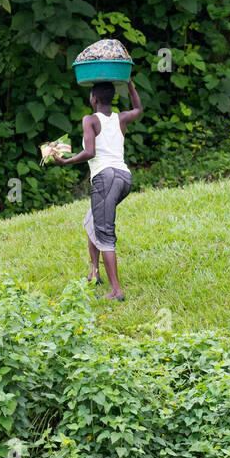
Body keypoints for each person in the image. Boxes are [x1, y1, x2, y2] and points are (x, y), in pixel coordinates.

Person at [54, 79, 142, 300]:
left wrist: (66, 162)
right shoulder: (121, 118)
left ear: (93, 98)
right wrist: (129, 83)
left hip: (106, 177)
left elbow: (90, 152)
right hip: (124, 178)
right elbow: (138, 109)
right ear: (111, 98)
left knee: (104, 232)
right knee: (91, 220)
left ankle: (116, 291)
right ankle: (94, 273)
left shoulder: (90, 120)